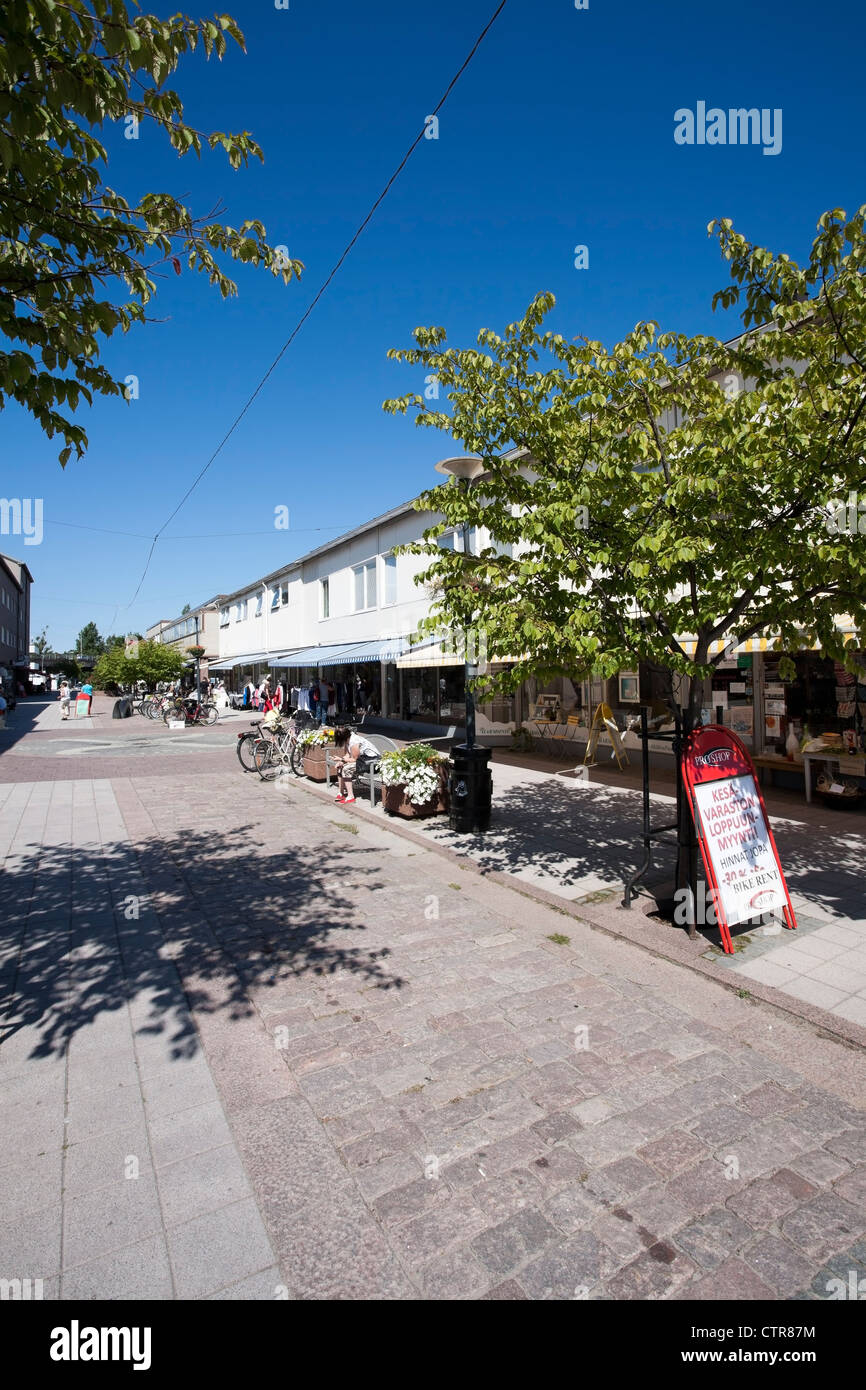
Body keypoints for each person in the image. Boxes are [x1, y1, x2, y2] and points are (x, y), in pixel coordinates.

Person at [332, 726, 379, 803]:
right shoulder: (347, 740)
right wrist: (342, 762)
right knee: (340, 767)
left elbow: (354, 759)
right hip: (362, 760)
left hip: (371, 762)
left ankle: (351, 796)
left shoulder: (354, 741)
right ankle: (341, 793)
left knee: (346, 769)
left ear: (343, 737)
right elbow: (347, 755)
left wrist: (341, 759)